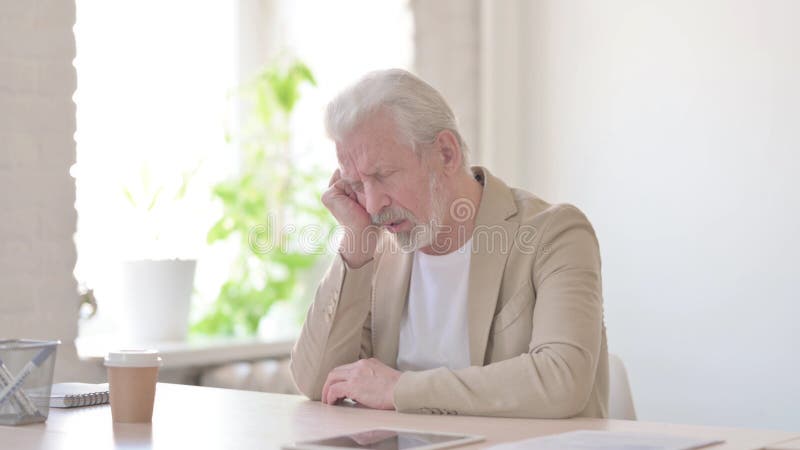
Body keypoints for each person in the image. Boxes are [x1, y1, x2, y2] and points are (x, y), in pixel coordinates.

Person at [289, 69, 608, 418]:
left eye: (382, 175)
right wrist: (357, 241)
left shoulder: (555, 233)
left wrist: (400, 389)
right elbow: (315, 381)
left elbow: (562, 380)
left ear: (445, 153)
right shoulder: (377, 251)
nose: (372, 203)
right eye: (357, 184)